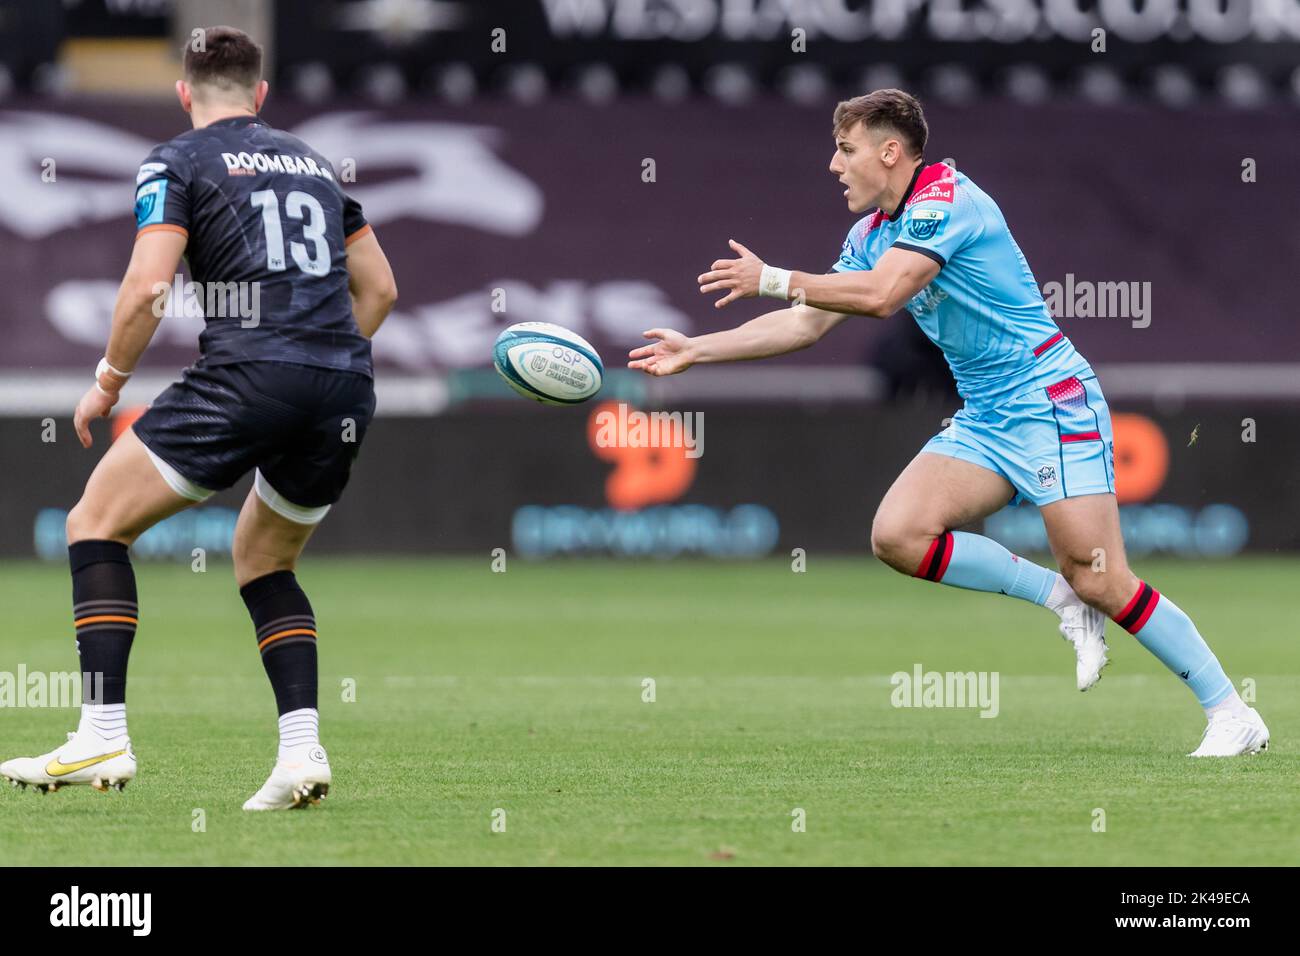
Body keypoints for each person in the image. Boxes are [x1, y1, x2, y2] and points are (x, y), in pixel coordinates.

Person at [628, 89, 1267, 757]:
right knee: (899, 536)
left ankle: (1230, 711)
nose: (833, 165)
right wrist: (699, 349)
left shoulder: (946, 200)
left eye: (845, 150)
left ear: (891, 151)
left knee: (1103, 577)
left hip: (1049, 399)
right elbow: (806, 322)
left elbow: (882, 295)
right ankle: (1058, 598)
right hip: (989, 414)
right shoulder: (870, 233)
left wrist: (774, 276)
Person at [1, 26, 398, 807]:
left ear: (184, 92)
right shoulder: (315, 164)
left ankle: (102, 737)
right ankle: (300, 753)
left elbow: (150, 288)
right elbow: (380, 290)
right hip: (345, 383)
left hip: (250, 373)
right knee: (265, 560)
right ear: (262, 93)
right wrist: (321, 361)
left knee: (95, 523)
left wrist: (107, 382)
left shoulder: (178, 160)